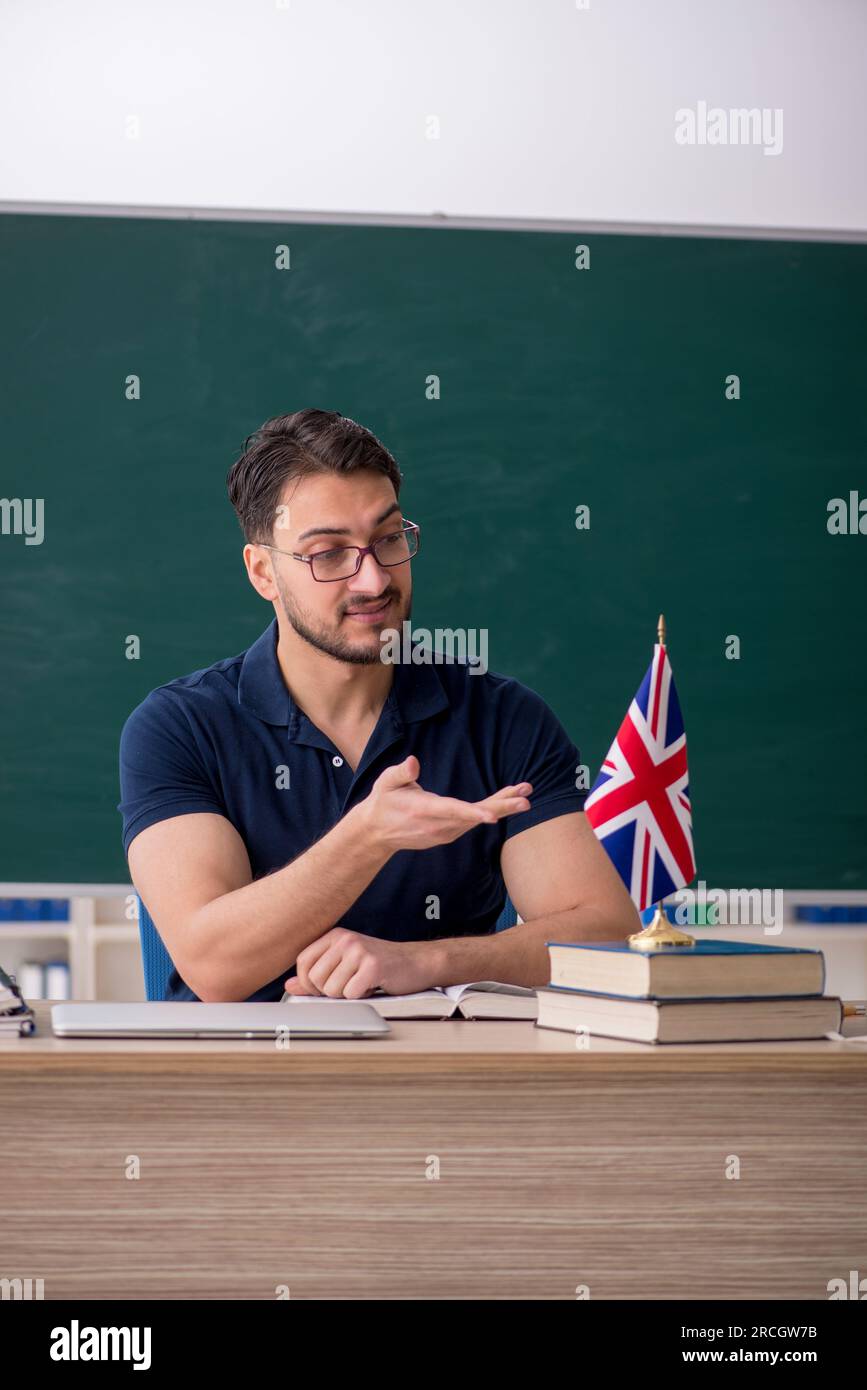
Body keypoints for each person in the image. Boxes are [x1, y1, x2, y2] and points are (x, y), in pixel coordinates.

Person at [119, 409, 638, 1001]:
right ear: (263, 571)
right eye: (329, 554)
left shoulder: (500, 717)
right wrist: (368, 836)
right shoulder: (178, 727)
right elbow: (216, 968)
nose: (372, 580)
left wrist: (426, 962)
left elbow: (607, 937)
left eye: (388, 540)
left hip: (445, 1082)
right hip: (245, 1085)